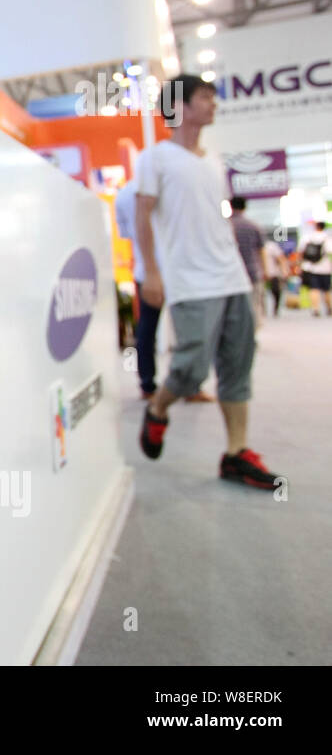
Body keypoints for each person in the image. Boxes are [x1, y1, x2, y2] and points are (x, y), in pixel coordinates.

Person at [134, 75, 282, 489]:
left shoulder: (212, 160)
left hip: (231, 276)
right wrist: (152, 272)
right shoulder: (155, 158)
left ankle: (236, 453)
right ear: (180, 106)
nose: (213, 105)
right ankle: (159, 409)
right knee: (190, 369)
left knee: (238, 364)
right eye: (205, 98)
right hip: (189, 280)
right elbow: (144, 216)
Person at [115, 176, 214, 402]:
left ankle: (149, 385)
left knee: (149, 330)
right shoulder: (166, 188)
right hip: (173, 270)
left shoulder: (124, 195)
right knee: (186, 330)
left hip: (152, 271)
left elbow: (127, 234)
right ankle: (188, 385)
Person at [228, 197, 265, 328]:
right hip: (252, 272)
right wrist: (264, 271)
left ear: (230, 206)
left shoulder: (226, 225)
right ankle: (251, 336)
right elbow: (261, 251)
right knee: (253, 305)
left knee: (231, 309)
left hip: (230, 273)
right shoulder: (253, 226)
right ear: (245, 207)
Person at [297, 221, 331, 316]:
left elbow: (300, 252)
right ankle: (329, 308)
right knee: (327, 289)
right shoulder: (327, 238)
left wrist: (299, 265)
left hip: (310, 267)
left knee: (314, 288)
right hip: (325, 268)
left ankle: (316, 308)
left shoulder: (307, 237)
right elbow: (330, 251)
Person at [262, 237, 288, 317]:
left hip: (273, 273)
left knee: (276, 291)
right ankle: (262, 311)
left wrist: (284, 270)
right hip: (259, 274)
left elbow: (280, 258)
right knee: (260, 293)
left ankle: (276, 308)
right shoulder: (254, 245)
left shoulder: (271, 246)